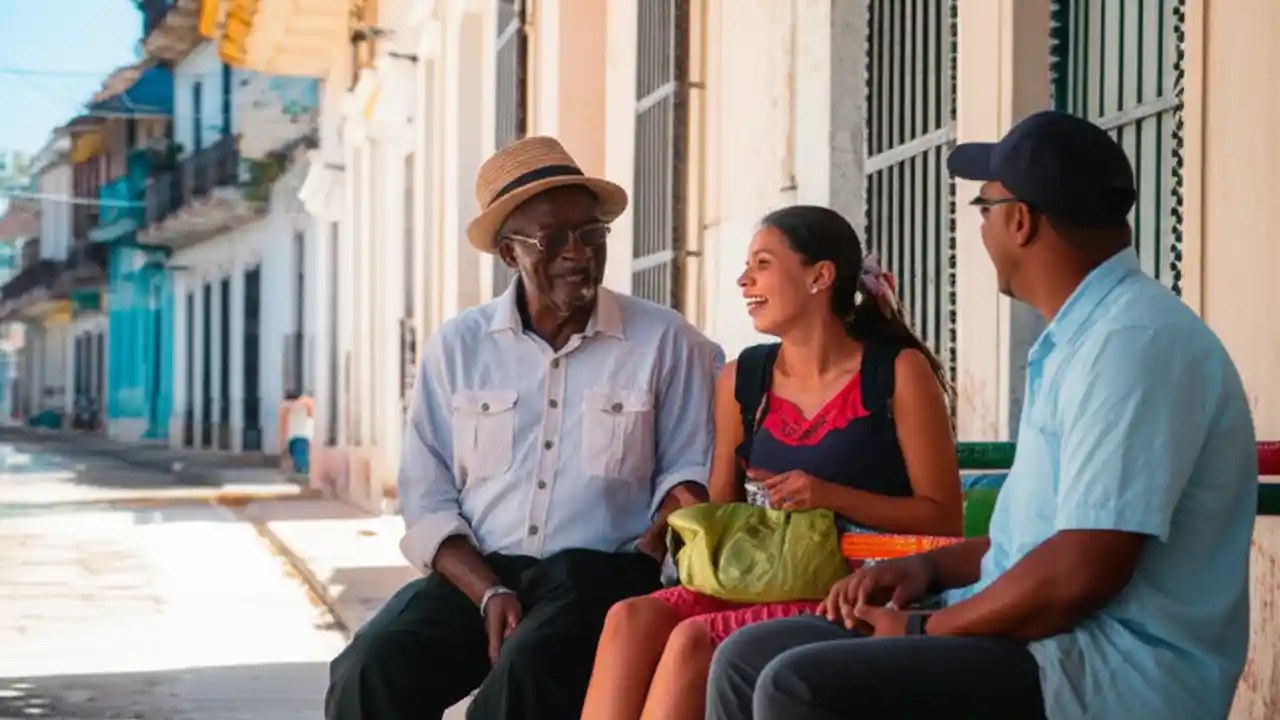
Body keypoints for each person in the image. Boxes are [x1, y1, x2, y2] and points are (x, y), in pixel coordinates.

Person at [704, 109, 1259, 720]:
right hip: (1036, 637)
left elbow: (1080, 571)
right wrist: (924, 567)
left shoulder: (1134, 342)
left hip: (1099, 670)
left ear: (1019, 222)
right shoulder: (1079, 339)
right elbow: (1031, 545)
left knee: (800, 686)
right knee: (749, 655)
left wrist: (924, 631)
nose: (983, 229)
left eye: (984, 208)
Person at [324, 136, 724, 720]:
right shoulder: (459, 348)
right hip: (482, 572)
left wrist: (661, 531)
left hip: (600, 575)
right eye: (552, 239)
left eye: (590, 235)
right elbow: (428, 497)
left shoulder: (667, 342)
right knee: (368, 671)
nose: (576, 254)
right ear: (510, 254)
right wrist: (488, 590)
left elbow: (693, 467)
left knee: (523, 681)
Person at [581, 205, 963, 720]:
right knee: (630, 617)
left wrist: (828, 495)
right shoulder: (743, 379)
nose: (744, 279)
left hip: (854, 588)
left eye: (762, 263)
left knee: (694, 640)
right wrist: (686, 517)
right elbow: (723, 509)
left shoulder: (896, 372)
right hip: (761, 577)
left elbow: (945, 518)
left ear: (819, 277)